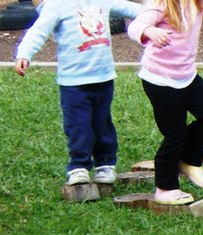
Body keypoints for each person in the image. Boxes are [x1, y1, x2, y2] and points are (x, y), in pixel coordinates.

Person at [15, 0, 146, 187]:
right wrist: (24, 54)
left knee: (103, 124)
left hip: (103, 78)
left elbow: (135, 10)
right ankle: (79, 166)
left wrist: (165, 14)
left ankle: (105, 164)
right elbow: (38, 30)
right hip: (73, 82)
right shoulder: (57, 5)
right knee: (78, 126)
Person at [127, 0, 203, 206]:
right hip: (159, 79)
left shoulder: (197, 3)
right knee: (176, 134)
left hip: (186, 75)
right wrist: (149, 31)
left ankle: (189, 161)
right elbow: (135, 26)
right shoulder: (162, 3)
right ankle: (165, 187)